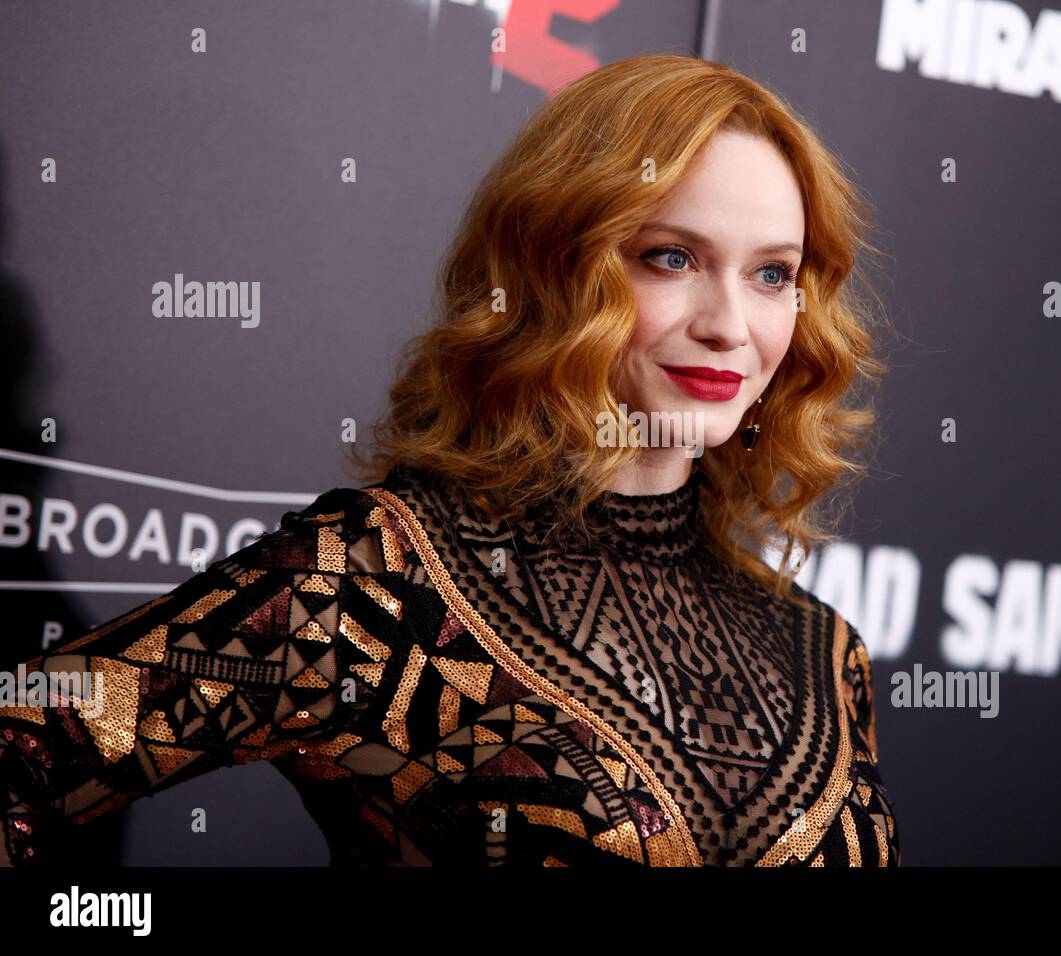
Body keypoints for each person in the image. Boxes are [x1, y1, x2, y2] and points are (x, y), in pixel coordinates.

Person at [0, 52, 898, 867]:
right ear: (556, 267)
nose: (730, 326)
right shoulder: (372, 589)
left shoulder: (824, 652)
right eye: (670, 257)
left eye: (773, 274)